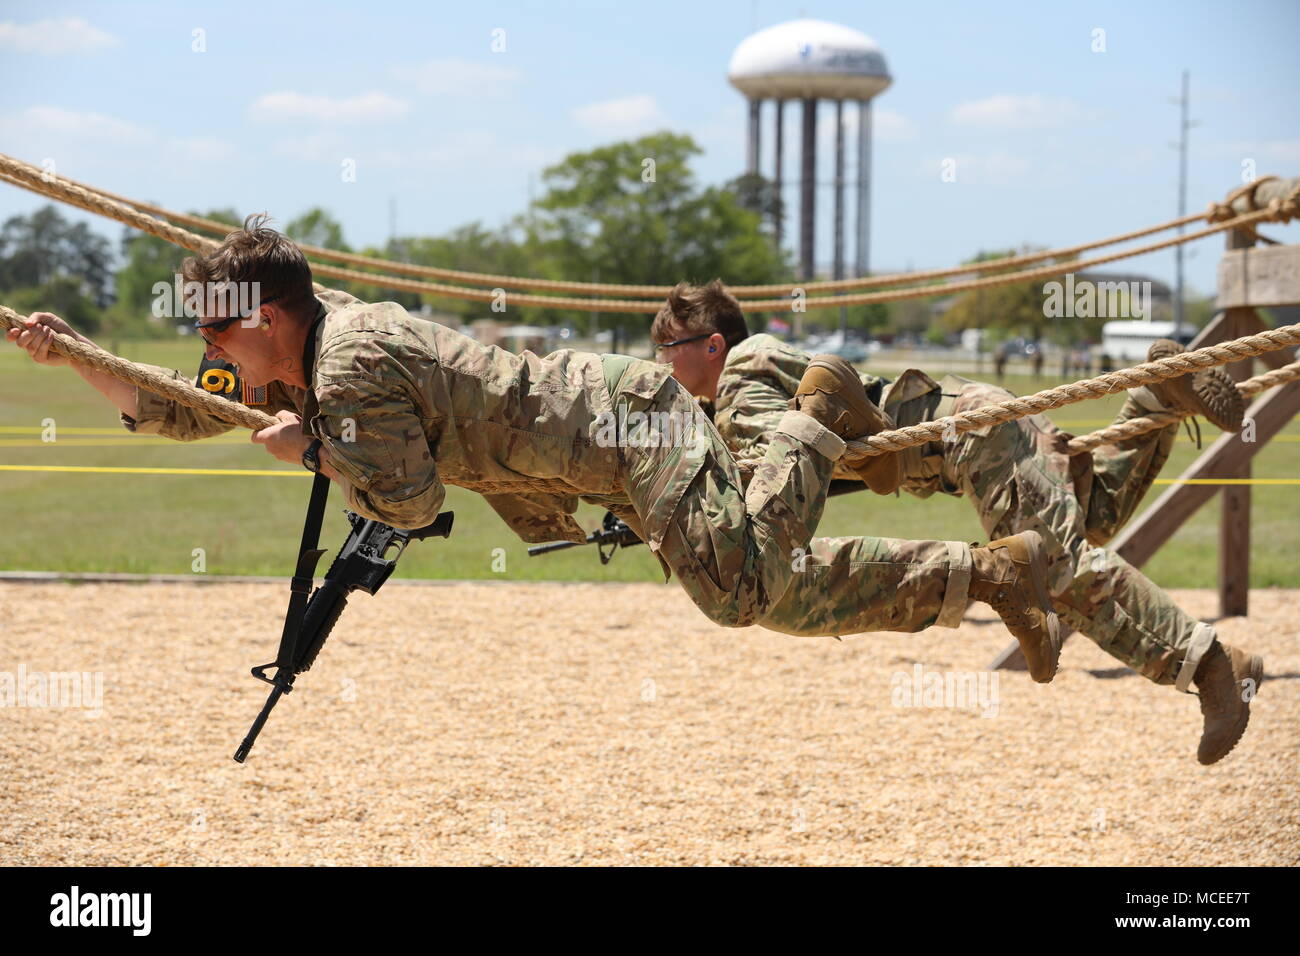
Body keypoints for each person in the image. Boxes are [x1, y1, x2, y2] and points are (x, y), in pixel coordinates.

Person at [6, 216, 1061, 677]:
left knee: (738, 589)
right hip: (602, 451)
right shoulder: (307, 359)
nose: (208, 347)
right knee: (773, 591)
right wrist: (80, 357)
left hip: (626, 428)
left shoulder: (346, 368)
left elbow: (410, 506)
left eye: (217, 329)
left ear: (269, 312)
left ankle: (811, 419)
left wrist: (314, 456)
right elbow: (196, 407)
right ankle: (984, 571)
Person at [651, 279, 1262, 765]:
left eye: (667, 350)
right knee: (1093, 520)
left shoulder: (742, 371)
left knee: (1060, 571)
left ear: (710, 344)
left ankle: (1213, 669)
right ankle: (1157, 397)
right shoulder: (751, 373)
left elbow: (774, 474)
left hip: (970, 438)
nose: (663, 365)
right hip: (973, 427)